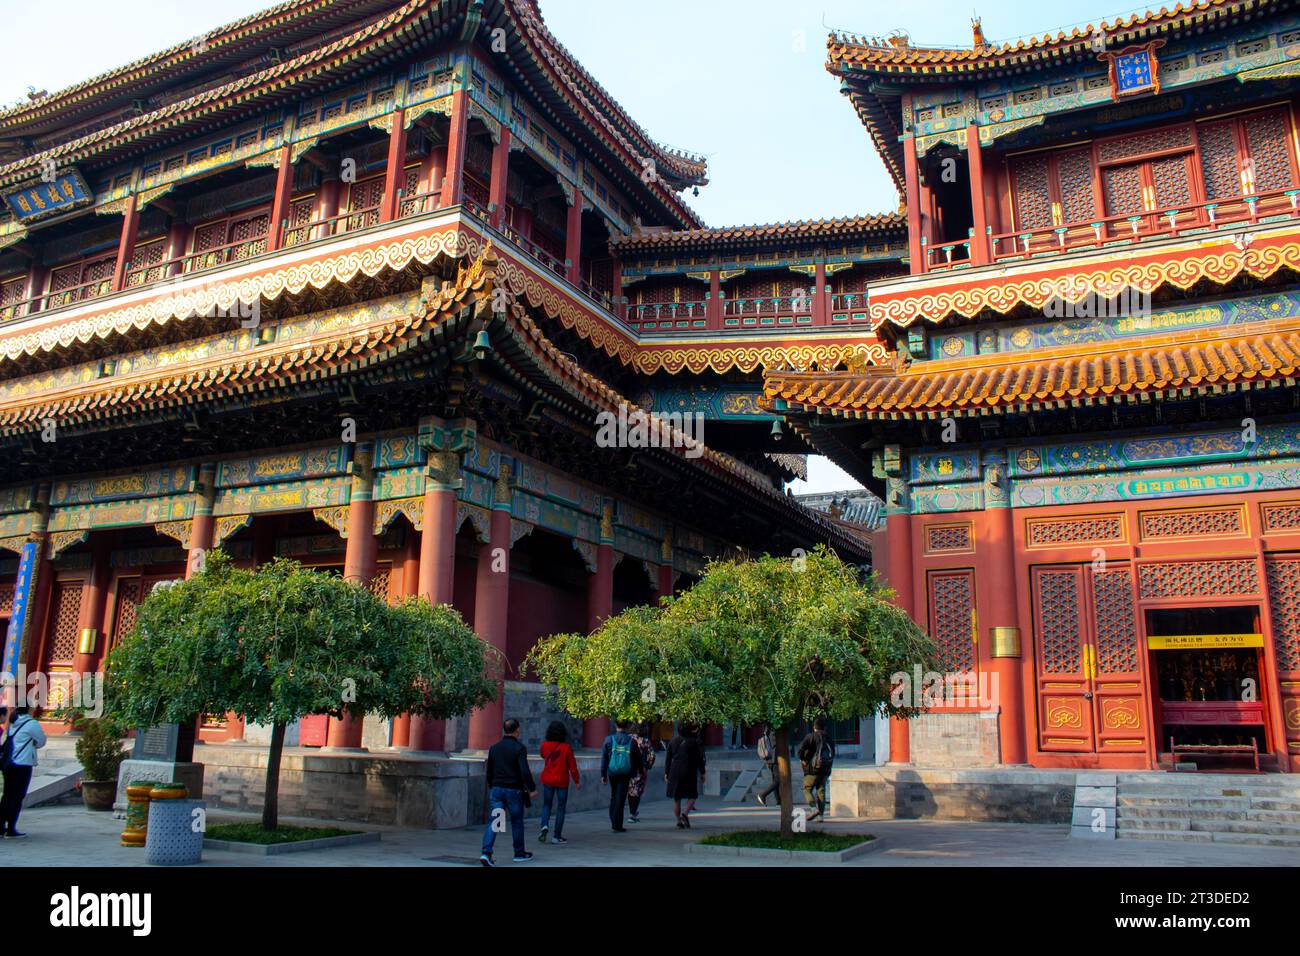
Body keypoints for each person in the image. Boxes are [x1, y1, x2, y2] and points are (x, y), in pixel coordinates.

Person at [480, 718, 537, 866]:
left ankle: (486, 852)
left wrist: (492, 785)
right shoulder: (519, 748)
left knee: (495, 822)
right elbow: (524, 771)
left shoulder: (494, 748)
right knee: (517, 822)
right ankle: (519, 853)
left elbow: (489, 770)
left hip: (497, 790)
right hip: (514, 790)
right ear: (517, 730)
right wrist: (532, 788)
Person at [0, 706, 46, 838]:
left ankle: (1, 826)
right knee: (17, 796)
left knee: (7, 796)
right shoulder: (31, 723)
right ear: (29, 709)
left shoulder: (13, 722)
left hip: (9, 764)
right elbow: (41, 741)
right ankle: (11, 828)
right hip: (23, 763)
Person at [538, 720, 580, 845]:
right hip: (562, 780)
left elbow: (543, 756)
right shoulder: (566, 747)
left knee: (547, 805)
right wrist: (577, 781)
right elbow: (572, 767)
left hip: (548, 779)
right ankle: (557, 836)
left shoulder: (544, 745)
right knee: (561, 807)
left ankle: (544, 825)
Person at [600, 719, 643, 832]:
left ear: (616, 725)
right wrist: (640, 771)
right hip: (626, 773)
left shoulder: (609, 739)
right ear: (627, 726)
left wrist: (603, 774)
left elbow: (604, 758)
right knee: (621, 798)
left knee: (614, 795)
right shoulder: (631, 741)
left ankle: (613, 819)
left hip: (612, 772)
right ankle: (617, 824)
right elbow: (638, 759)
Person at [664, 722, 705, 828]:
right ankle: (685, 814)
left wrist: (666, 773)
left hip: (675, 771)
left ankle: (678, 821)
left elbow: (668, 759)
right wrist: (702, 772)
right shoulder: (694, 742)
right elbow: (699, 759)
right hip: (689, 770)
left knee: (677, 798)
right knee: (693, 795)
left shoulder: (672, 741)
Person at [797, 716, 836, 822]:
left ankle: (813, 809)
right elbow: (833, 753)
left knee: (807, 789)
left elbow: (800, 750)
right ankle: (821, 816)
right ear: (824, 728)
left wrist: (803, 759)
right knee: (821, 791)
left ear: (814, 727)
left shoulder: (811, 736)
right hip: (825, 770)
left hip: (812, 769)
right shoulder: (829, 738)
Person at [626, 723, 656, 823]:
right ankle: (632, 814)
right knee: (637, 791)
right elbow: (652, 755)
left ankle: (631, 811)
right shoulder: (645, 741)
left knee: (630, 791)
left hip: (627, 768)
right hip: (640, 769)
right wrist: (648, 766)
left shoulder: (628, 738)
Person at [755, 724, 781, 807]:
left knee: (776, 780)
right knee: (778, 780)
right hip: (774, 758)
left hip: (771, 759)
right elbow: (775, 745)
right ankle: (763, 795)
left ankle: (779, 801)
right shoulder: (773, 731)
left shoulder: (769, 729)